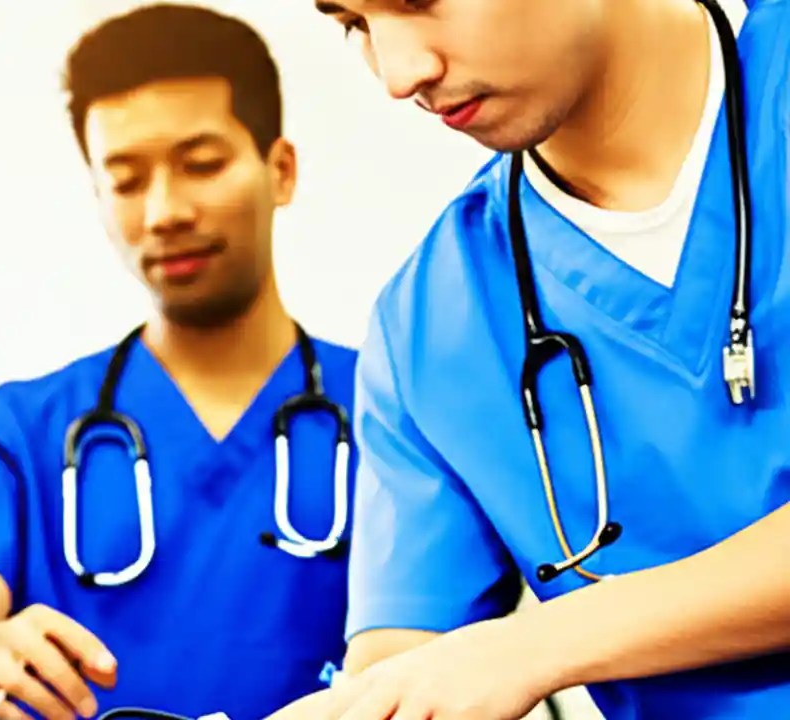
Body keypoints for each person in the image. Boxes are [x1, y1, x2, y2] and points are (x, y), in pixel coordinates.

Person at [267, 0, 790, 718]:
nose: (398, 74)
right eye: (353, 24)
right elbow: (410, 657)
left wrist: (536, 646)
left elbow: (491, 659)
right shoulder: (434, 324)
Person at [0, 5, 360, 720]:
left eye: (201, 165)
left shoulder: (390, 410)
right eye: (127, 180)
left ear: (281, 170)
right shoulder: (24, 430)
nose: (164, 211)